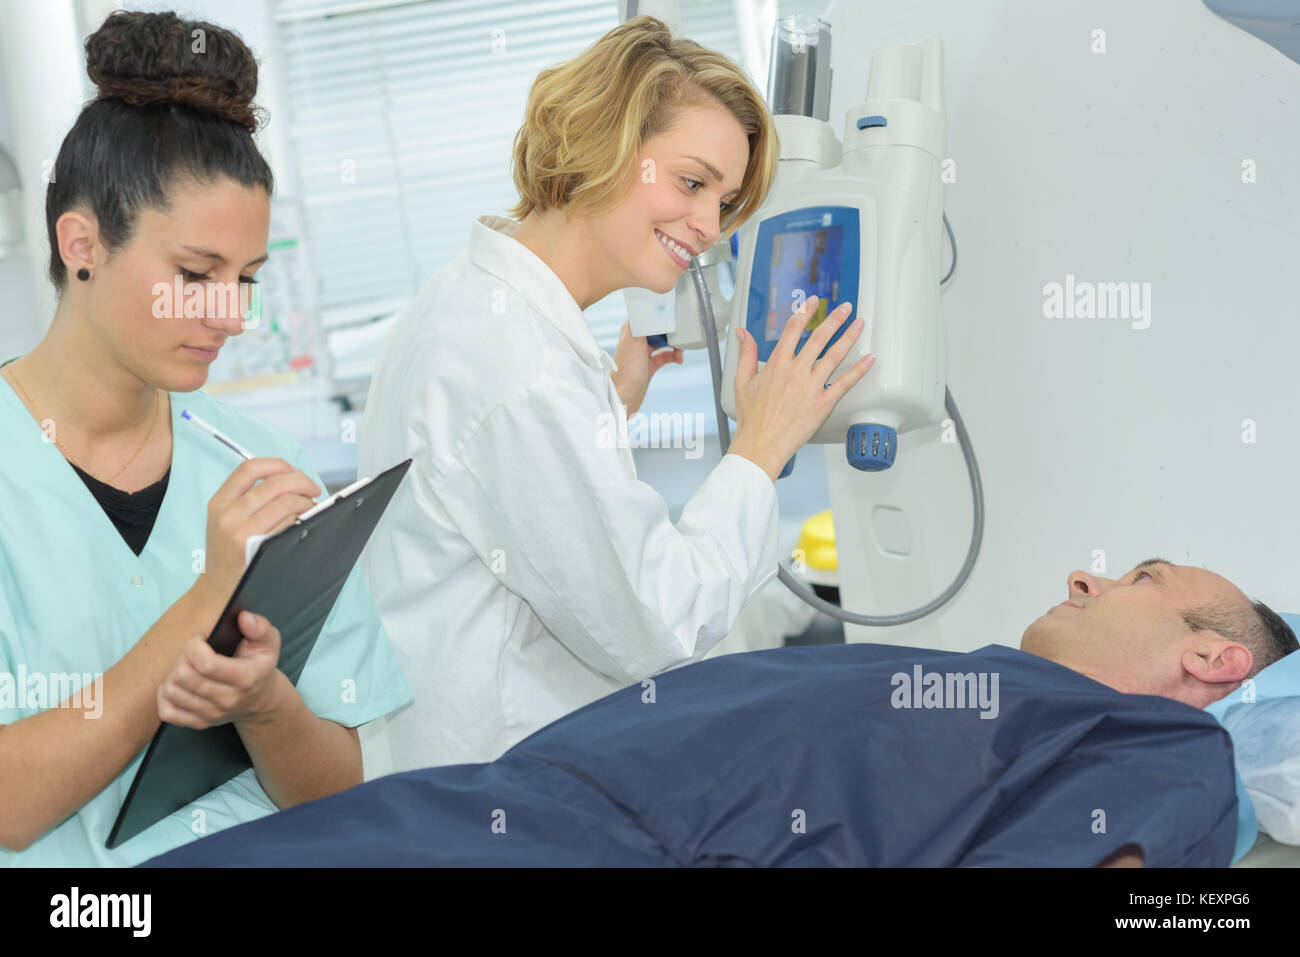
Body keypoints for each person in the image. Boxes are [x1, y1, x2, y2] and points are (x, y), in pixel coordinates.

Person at [358, 15, 876, 771]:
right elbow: (656, 624)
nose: (708, 226)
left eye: (725, 203)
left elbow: (502, 486)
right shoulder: (524, 371)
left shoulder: (465, 300)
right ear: (603, 142)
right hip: (495, 793)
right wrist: (761, 448)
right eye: (691, 182)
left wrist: (607, 407)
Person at [145, 559, 1297, 868]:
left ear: (1210, 655)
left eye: (1143, 576)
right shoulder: (1004, 697)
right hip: (490, 810)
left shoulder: (1177, 751)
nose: (1088, 577)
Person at [0, 10, 412, 866]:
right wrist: (205, 603)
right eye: (195, 274)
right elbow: (10, 804)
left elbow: (343, 789)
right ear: (81, 244)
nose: (230, 314)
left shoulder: (258, 467)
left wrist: (264, 704)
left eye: (246, 280)